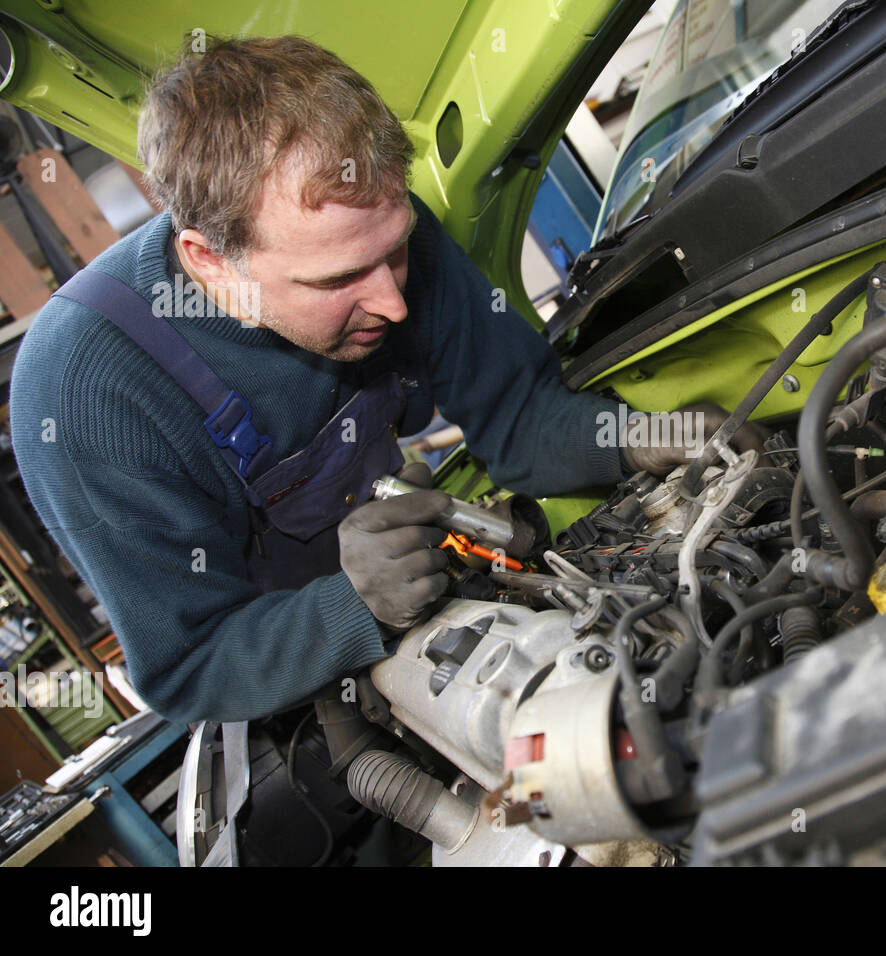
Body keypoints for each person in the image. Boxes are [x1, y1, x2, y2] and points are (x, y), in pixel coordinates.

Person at [10, 36, 755, 723]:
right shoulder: (86, 396)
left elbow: (520, 420)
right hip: (285, 688)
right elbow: (191, 667)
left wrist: (637, 437)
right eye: (339, 279)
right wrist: (349, 608)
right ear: (210, 260)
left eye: (394, 250)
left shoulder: (372, 225)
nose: (394, 301)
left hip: (417, 585)